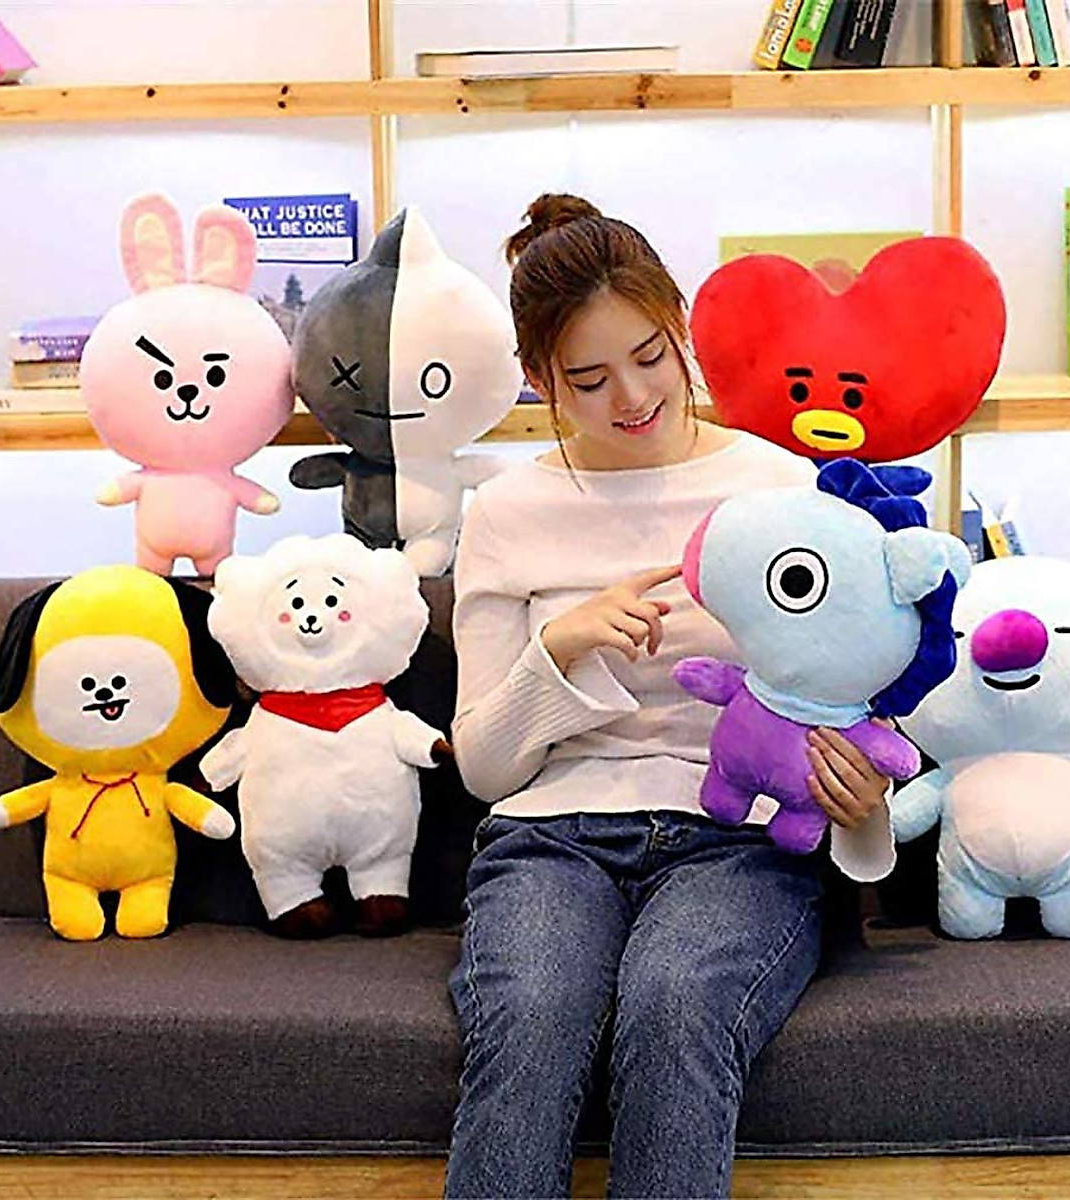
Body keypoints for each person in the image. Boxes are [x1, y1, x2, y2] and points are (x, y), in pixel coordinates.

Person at [444, 194, 891, 1200]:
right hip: (550, 838)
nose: (634, 396)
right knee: (532, 1014)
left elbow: (857, 702)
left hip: (739, 841)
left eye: (651, 355)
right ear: (537, 379)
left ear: (678, 324)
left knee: (679, 1000)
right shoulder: (506, 512)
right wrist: (561, 649)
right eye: (588, 379)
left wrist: (862, 802)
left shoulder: (785, 489)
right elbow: (483, 767)